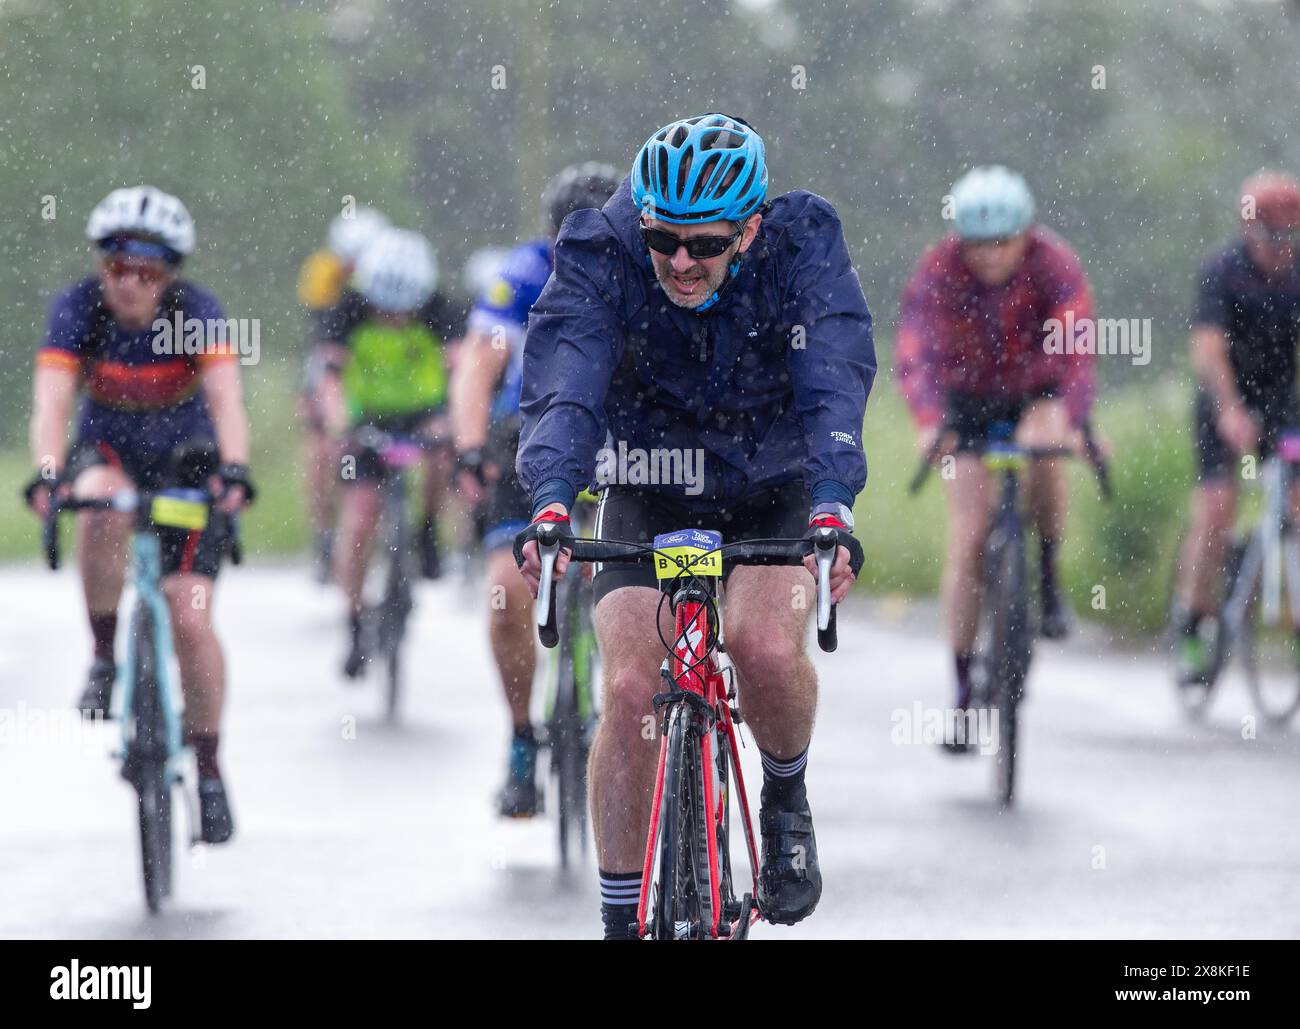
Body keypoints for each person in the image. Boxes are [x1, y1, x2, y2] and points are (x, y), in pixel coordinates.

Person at [512, 114, 874, 936]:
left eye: (705, 244)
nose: (680, 261)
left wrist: (832, 500)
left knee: (766, 646)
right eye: (663, 238)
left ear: (749, 228)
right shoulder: (604, 249)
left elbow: (833, 374)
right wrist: (552, 501)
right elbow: (566, 377)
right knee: (633, 687)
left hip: (772, 483)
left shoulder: (801, 245)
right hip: (649, 483)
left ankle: (784, 795)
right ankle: (616, 918)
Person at [24, 185, 254, 843]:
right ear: (102, 268)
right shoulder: (79, 311)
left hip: (186, 463)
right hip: (110, 452)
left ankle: (209, 767)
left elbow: (227, 398)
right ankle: (103, 654)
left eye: (146, 272)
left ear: (169, 275)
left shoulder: (197, 312)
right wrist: (47, 473)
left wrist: (234, 470)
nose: (129, 284)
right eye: (117, 268)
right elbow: (51, 402)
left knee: (190, 613)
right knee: (98, 505)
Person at [895, 166, 1097, 734]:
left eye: (1002, 243)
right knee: (969, 532)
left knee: (1046, 454)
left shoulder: (1054, 263)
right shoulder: (939, 269)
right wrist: (930, 421)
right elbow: (918, 352)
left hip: (1036, 393)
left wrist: (1074, 419)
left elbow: (1078, 348)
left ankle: (1050, 577)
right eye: (977, 245)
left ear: (1026, 235)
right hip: (967, 402)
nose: (988, 257)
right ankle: (961, 690)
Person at [450, 162, 620, 818]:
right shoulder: (522, 274)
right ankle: (522, 736)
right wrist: (468, 445)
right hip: (530, 435)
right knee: (505, 596)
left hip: (619, 440)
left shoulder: (651, 268)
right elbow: (476, 367)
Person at [316, 227, 463, 677]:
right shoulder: (345, 310)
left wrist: (453, 420)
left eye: (406, 311)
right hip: (367, 419)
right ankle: (356, 619)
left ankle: (427, 532)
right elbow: (329, 380)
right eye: (386, 309)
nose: (396, 318)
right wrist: (342, 425)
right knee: (360, 519)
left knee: (443, 456)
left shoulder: (442, 308)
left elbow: (463, 371)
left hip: (424, 414)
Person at [1173, 170, 1300, 684]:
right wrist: (1228, 409)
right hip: (1224, 396)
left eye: (1290, 236)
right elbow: (1208, 348)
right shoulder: (1222, 271)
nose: (1280, 247)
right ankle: (1193, 618)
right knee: (1217, 507)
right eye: (1271, 236)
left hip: (1280, 401)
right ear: (1250, 231)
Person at [297, 206, 390, 581]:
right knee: (321, 448)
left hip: (373, 366)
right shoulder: (323, 275)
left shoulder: (386, 278)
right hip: (330, 357)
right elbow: (324, 339)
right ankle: (322, 531)